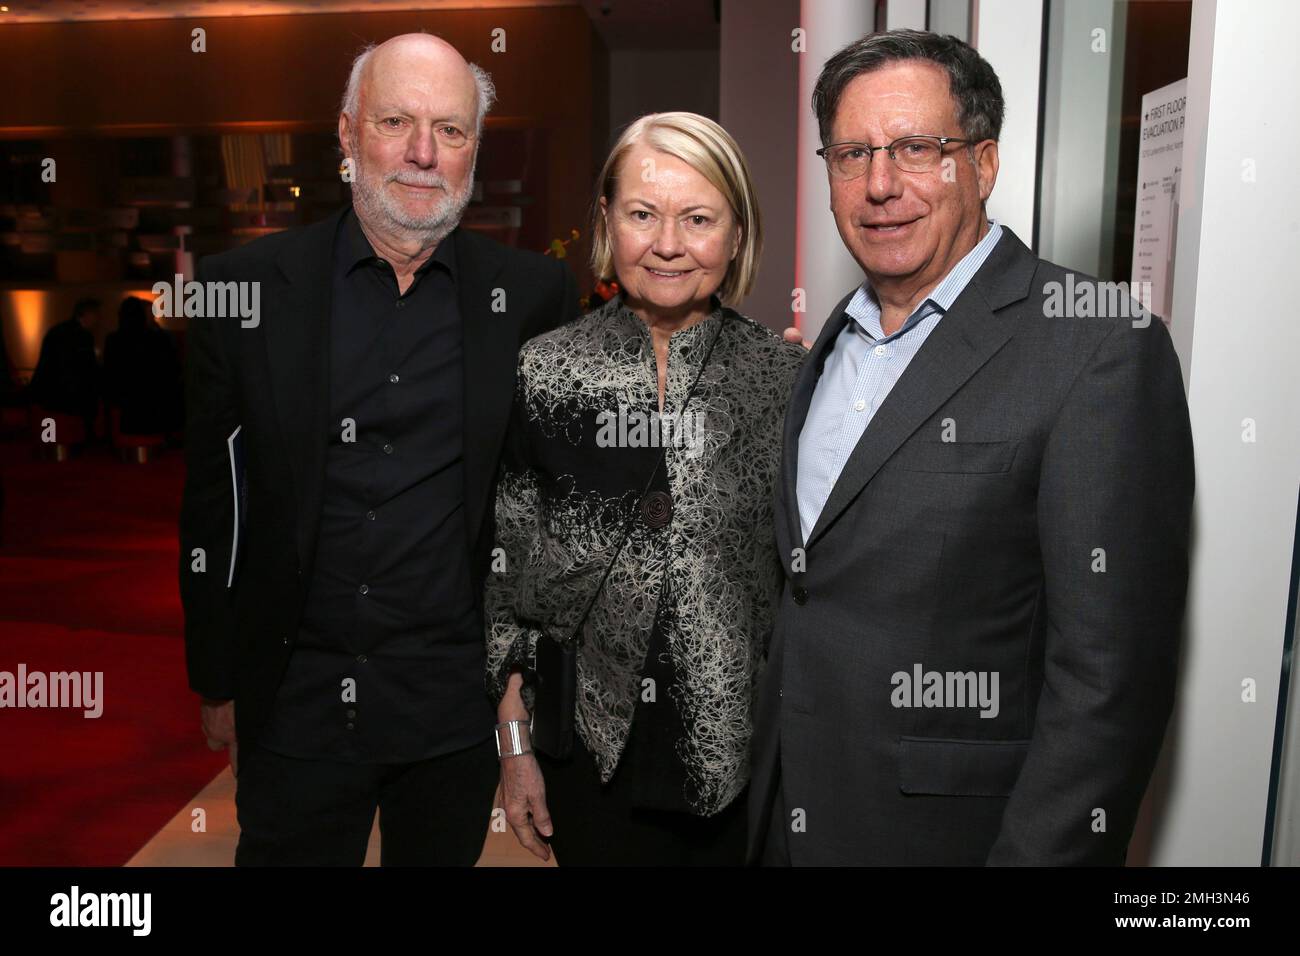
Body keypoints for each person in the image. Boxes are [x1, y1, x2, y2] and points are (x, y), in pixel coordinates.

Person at [749, 29, 1194, 865]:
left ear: (983, 164)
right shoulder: (824, 350)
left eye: (918, 149)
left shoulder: (1097, 344)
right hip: (788, 812)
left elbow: (1109, 682)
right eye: (851, 154)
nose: (880, 185)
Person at [179, 33, 579, 866]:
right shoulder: (244, 290)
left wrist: (515, 720)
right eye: (396, 122)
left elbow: (539, 517)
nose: (423, 153)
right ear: (348, 134)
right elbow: (214, 504)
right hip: (296, 700)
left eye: (451, 130)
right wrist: (216, 677)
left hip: (450, 712)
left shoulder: (533, 300)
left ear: (475, 148)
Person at [486, 112, 805, 865]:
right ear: (606, 221)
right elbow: (503, 582)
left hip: (737, 754)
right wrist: (512, 745)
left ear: (737, 233)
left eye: (698, 219)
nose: (668, 244)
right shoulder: (545, 370)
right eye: (641, 214)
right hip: (584, 752)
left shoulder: (785, 378)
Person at [103, 296, 181, 436]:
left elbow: (110, 374)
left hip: (126, 403)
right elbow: (170, 370)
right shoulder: (158, 338)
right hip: (155, 402)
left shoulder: (114, 340)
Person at [27, 298, 102, 440]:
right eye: (97, 315)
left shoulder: (57, 330)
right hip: (66, 393)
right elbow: (87, 370)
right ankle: (86, 438)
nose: (98, 319)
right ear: (87, 314)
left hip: (46, 391)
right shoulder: (83, 336)